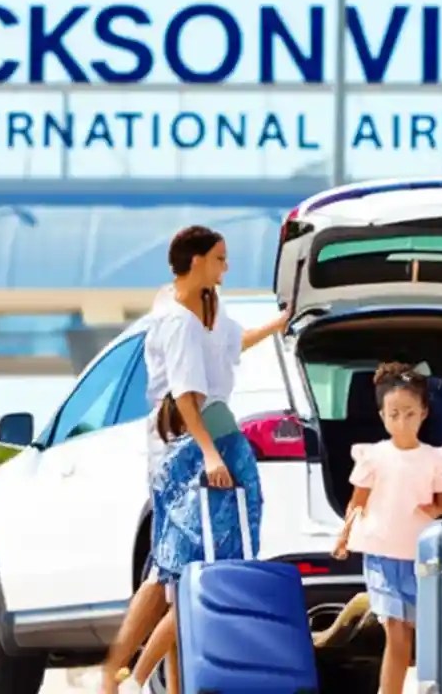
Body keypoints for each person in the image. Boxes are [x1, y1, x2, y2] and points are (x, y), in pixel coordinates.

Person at [103, 225, 287, 694]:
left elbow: (234, 342)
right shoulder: (178, 320)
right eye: (220, 259)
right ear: (196, 260)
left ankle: (132, 679)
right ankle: (135, 678)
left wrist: (282, 323)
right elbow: (185, 396)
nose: (227, 267)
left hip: (213, 434)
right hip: (191, 445)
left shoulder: (205, 306)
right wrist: (209, 454)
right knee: (195, 574)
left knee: (178, 575)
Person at [332, 362, 442, 694]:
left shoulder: (435, 458)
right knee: (397, 633)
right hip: (382, 555)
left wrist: (434, 508)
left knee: (427, 634)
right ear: (383, 416)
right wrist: (344, 536)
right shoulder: (372, 456)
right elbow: (358, 502)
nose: (402, 421)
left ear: (424, 413)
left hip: (421, 558)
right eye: (394, 414)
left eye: (410, 413)